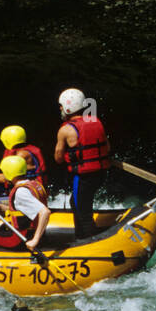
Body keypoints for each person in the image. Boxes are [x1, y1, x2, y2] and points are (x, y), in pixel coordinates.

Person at [54, 88, 111, 239]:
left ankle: (87, 240)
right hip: (100, 174)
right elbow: (108, 147)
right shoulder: (96, 121)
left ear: (68, 107)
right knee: (77, 202)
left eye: (61, 105)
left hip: (84, 176)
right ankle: (82, 235)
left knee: (81, 208)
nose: (60, 108)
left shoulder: (65, 130)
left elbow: (58, 158)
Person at [0, 153, 50, 252]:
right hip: (34, 234)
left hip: (20, 239)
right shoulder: (33, 184)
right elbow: (22, 208)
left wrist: (35, 240)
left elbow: (45, 212)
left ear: (9, 173)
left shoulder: (21, 192)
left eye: (4, 172)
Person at [0, 125, 46, 191]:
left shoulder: (20, 155)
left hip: (29, 192)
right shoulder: (27, 150)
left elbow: (6, 178)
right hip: (35, 190)